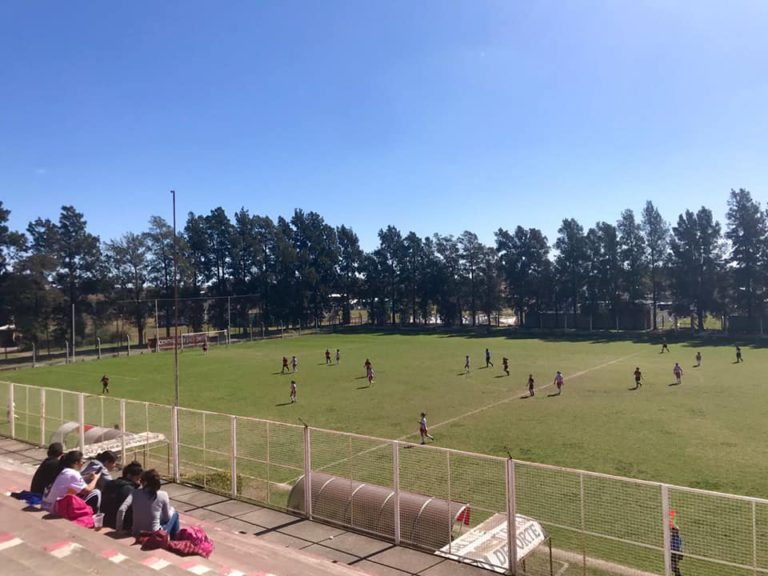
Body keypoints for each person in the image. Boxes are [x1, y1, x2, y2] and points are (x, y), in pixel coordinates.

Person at [116, 469, 180, 539]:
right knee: (175, 514)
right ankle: (174, 539)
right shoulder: (163, 495)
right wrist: (171, 511)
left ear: (144, 482)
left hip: (136, 532)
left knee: (159, 515)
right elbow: (167, 518)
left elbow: (122, 509)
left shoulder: (134, 493)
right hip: (154, 534)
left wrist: (119, 529)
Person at [43, 450, 102, 514]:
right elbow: (87, 490)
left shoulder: (64, 470)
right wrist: (96, 478)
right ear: (76, 463)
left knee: (76, 492)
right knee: (96, 492)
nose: (83, 463)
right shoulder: (74, 473)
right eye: (82, 461)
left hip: (47, 505)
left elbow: (71, 481)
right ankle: (92, 517)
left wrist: (86, 477)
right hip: (56, 509)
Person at [101, 461, 143, 530]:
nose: (139, 482)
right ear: (129, 476)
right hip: (122, 525)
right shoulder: (131, 491)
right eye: (138, 479)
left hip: (105, 521)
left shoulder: (110, 484)